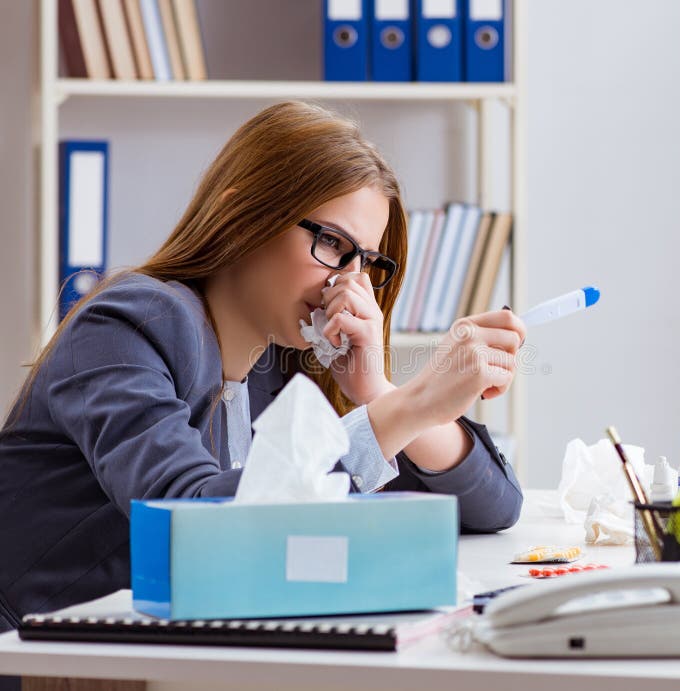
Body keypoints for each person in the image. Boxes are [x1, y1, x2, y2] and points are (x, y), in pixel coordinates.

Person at [0, 101, 525, 633]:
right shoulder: (128, 324)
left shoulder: (282, 368)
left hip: (171, 650)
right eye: (331, 243)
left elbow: (494, 508)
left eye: (366, 262)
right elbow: (192, 519)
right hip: (38, 655)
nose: (347, 284)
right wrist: (404, 411)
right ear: (241, 215)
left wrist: (378, 391)